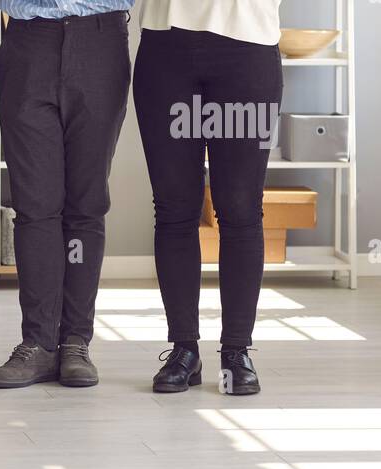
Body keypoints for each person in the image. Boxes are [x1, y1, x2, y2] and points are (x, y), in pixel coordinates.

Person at [135, 0, 284, 396]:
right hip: (166, 49)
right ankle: (184, 349)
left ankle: (236, 351)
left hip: (247, 48)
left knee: (240, 208)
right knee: (173, 206)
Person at [0, 0, 134, 389]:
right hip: (28, 40)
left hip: (100, 39)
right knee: (34, 205)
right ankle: (37, 343)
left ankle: (75, 342)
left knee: (86, 204)